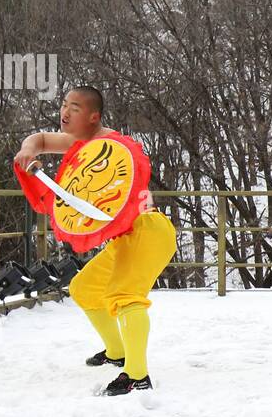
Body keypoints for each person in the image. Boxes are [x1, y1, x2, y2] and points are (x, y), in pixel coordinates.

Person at [14, 86, 176, 396]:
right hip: (126, 239)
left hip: (147, 229)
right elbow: (42, 140)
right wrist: (28, 148)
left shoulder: (111, 146)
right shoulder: (82, 144)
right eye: (63, 105)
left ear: (93, 116)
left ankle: (137, 375)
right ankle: (118, 352)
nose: (64, 112)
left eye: (73, 107)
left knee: (124, 294)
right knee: (84, 288)